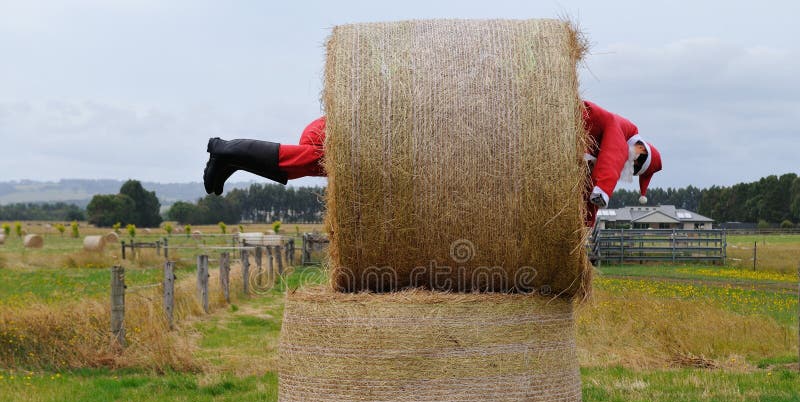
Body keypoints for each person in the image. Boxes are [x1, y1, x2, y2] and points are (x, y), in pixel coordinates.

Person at [203, 103, 662, 228]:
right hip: (356, 130)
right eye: (638, 164)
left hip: (378, 144)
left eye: (636, 174)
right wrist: (602, 193)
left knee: (307, 167)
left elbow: (578, 192)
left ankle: (231, 158)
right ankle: (227, 149)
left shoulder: (578, 154)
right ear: (641, 150)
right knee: (311, 158)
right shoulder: (618, 130)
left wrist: (582, 225)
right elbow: (612, 155)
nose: (632, 168)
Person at [582, 100, 662, 226]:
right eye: (639, 158)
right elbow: (612, 156)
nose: (634, 161)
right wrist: (603, 189)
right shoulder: (622, 132)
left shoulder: (612, 149)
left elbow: (592, 182)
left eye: (635, 167)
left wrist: (586, 223)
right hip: (580, 117)